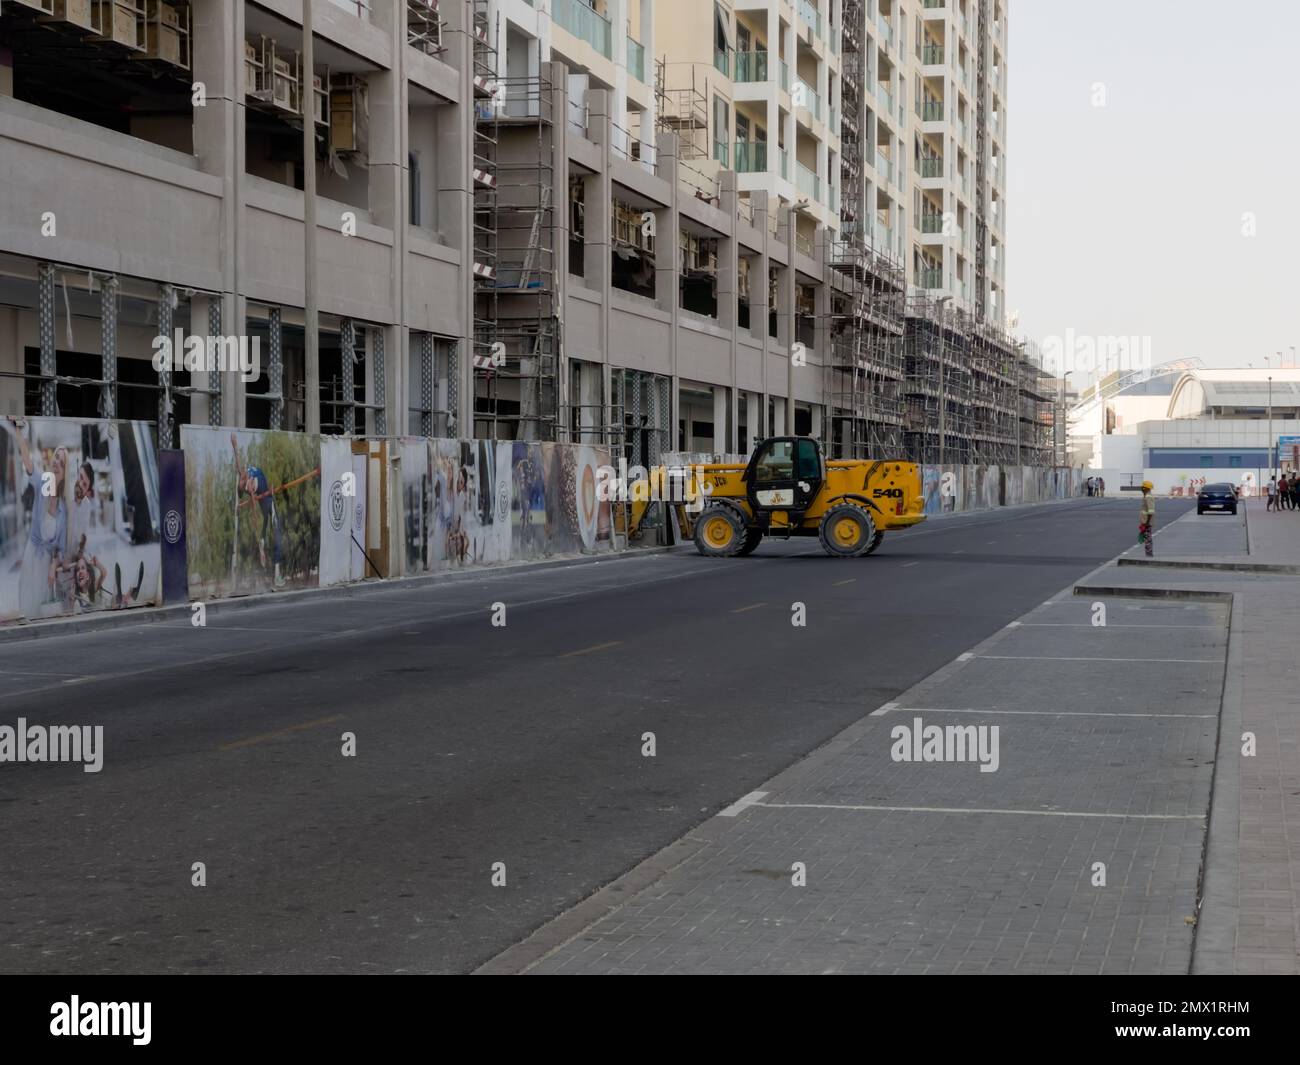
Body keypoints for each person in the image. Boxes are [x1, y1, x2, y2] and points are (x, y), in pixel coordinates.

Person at [8, 418, 68, 619]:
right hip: (31, 555)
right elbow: (28, 464)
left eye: (62, 462)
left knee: (42, 609)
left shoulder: (62, 508)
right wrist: (18, 432)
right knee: (27, 602)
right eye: (56, 459)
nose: (57, 463)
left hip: (46, 566)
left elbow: (60, 547)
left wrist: (53, 566)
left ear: (65, 471)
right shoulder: (45, 482)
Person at [231, 433, 286, 588]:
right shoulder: (250, 487)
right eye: (244, 484)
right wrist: (263, 493)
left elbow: (238, 459)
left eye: (243, 481)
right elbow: (255, 506)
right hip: (265, 496)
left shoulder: (242, 474)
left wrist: (234, 445)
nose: (243, 479)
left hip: (264, 495)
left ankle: (262, 539)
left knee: (268, 521)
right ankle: (277, 575)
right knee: (277, 530)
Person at [1139, 480, 1156, 557]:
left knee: (1148, 539)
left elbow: (1151, 511)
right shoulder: (1146, 496)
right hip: (1145, 522)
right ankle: (1148, 554)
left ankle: (1149, 555)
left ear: (1146, 488)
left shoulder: (1148, 497)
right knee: (1147, 538)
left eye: (1142, 487)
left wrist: (1147, 523)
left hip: (1147, 522)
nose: (1141, 489)